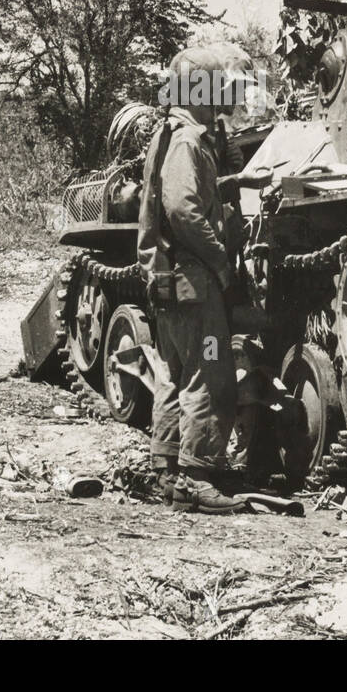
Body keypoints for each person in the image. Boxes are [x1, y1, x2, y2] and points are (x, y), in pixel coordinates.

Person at [137, 46, 255, 515]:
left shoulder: (174, 134)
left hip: (169, 279)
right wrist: (221, 260)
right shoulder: (188, 141)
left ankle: (167, 473)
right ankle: (197, 477)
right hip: (194, 277)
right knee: (211, 376)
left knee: (175, 373)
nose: (230, 91)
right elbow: (183, 209)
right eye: (222, 83)